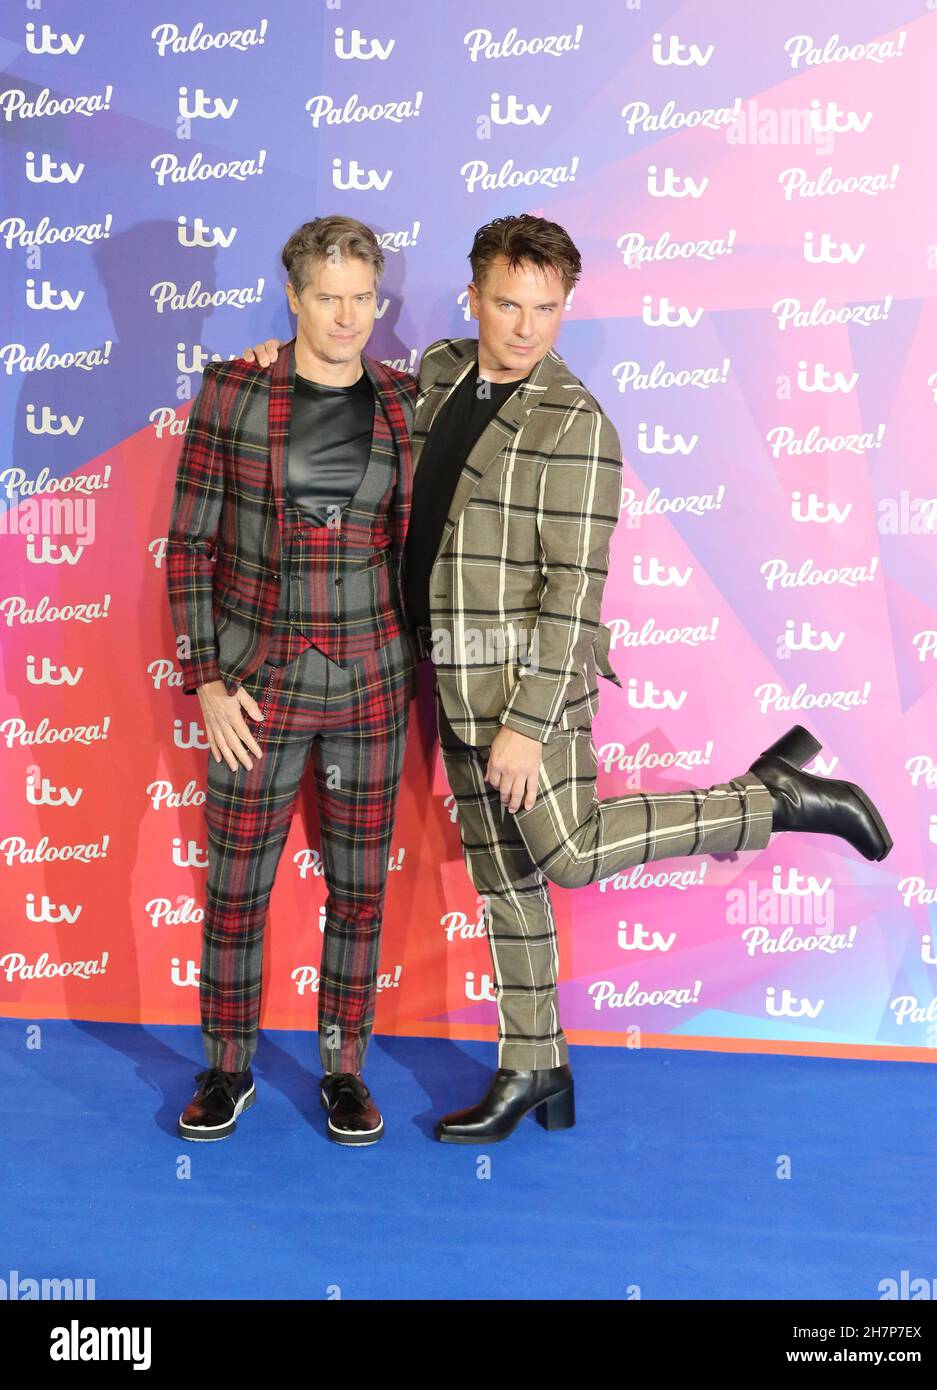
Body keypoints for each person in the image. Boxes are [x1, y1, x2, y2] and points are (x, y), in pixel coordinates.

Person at [241, 213, 893, 1145]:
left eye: (546, 309)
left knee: (568, 851)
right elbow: (357, 394)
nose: (525, 327)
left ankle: (775, 796)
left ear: (565, 306)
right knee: (506, 882)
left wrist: (527, 726)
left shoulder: (579, 425)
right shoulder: (436, 372)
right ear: (474, 299)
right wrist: (288, 358)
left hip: (521, 691)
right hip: (444, 677)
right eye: (507, 304)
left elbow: (574, 595)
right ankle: (533, 1065)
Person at [165, 216, 418, 1145]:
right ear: (293, 297)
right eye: (328, 297)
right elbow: (190, 543)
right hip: (254, 685)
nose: (347, 316)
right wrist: (205, 680)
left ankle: (343, 1070)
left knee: (358, 890)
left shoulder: (406, 401)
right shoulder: (234, 390)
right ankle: (227, 1066)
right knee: (237, 888)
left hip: (371, 684)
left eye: (362, 297)